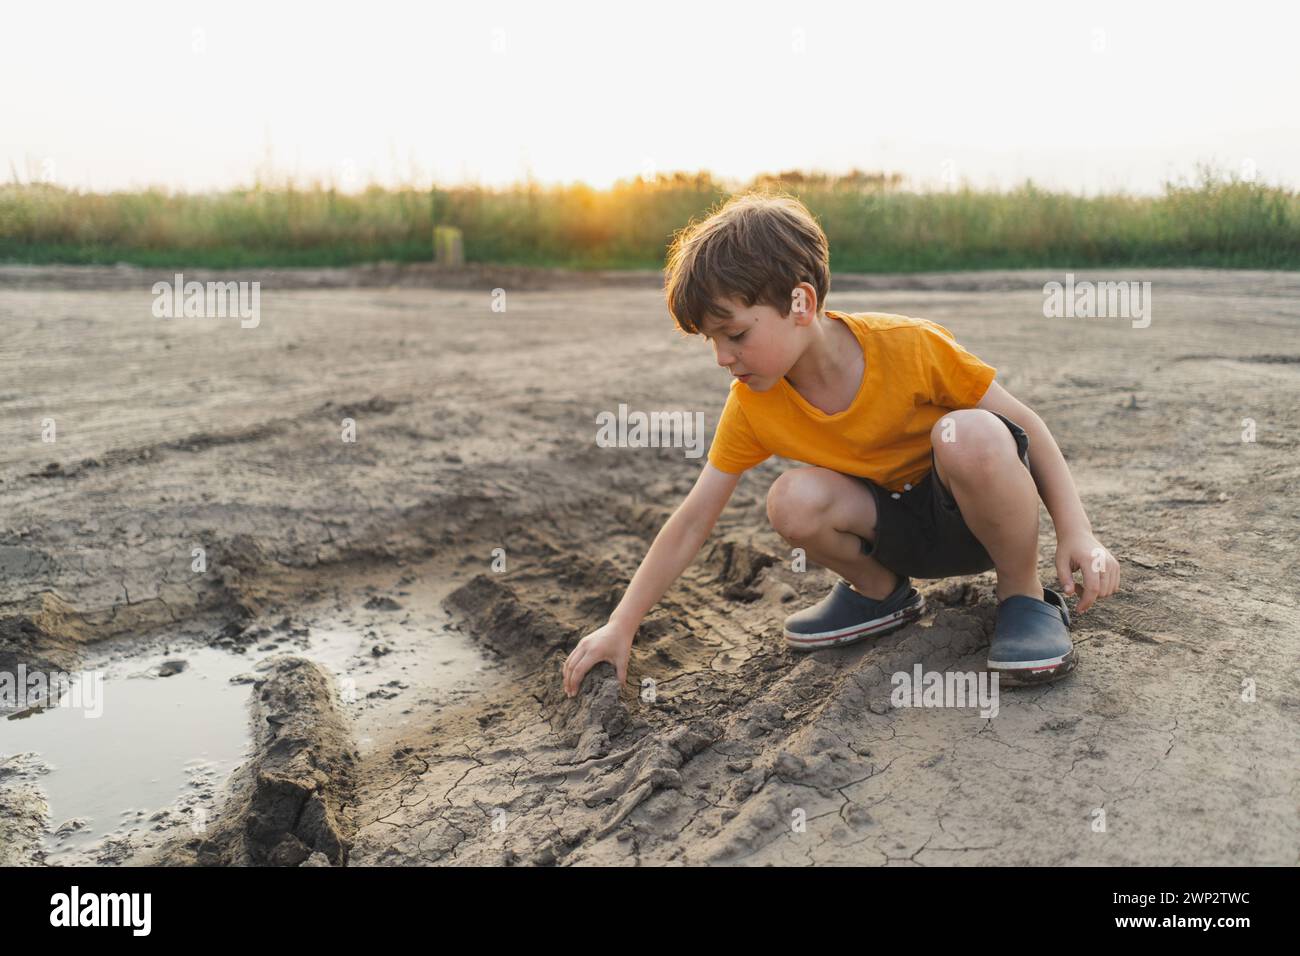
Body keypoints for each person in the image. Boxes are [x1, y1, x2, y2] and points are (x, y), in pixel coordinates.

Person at [563, 191, 1119, 696]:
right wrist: (622, 624)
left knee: (969, 431)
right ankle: (881, 594)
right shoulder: (753, 404)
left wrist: (1077, 531)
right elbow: (692, 519)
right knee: (790, 498)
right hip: (892, 536)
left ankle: (1022, 599)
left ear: (800, 304)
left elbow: (1030, 427)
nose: (722, 357)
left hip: (980, 523)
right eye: (712, 340)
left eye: (735, 335)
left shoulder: (910, 346)